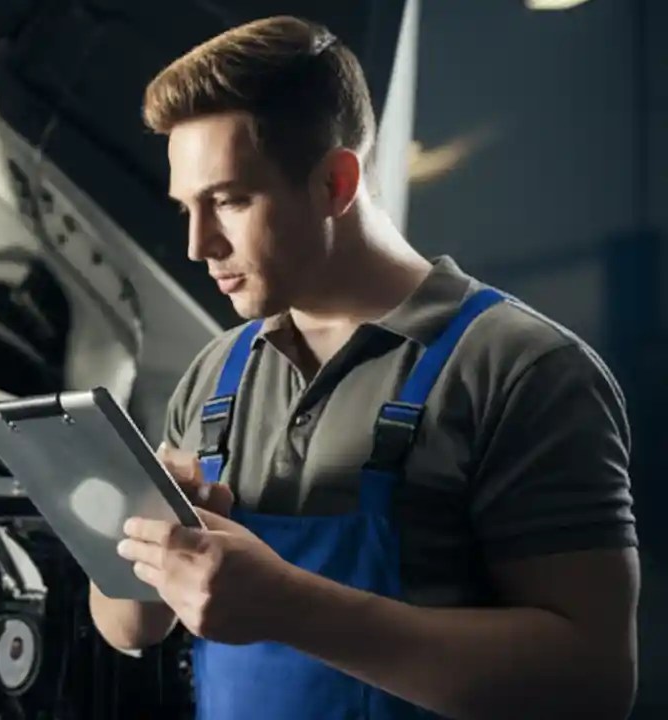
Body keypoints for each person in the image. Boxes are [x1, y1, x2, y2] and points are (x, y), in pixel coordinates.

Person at [88, 15, 640, 720]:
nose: (199, 245)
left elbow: (592, 685)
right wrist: (137, 543)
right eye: (187, 208)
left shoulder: (523, 370)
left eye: (228, 200)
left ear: (334, 183)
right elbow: (127, 628)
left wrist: (292, 607)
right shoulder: (214, 376)